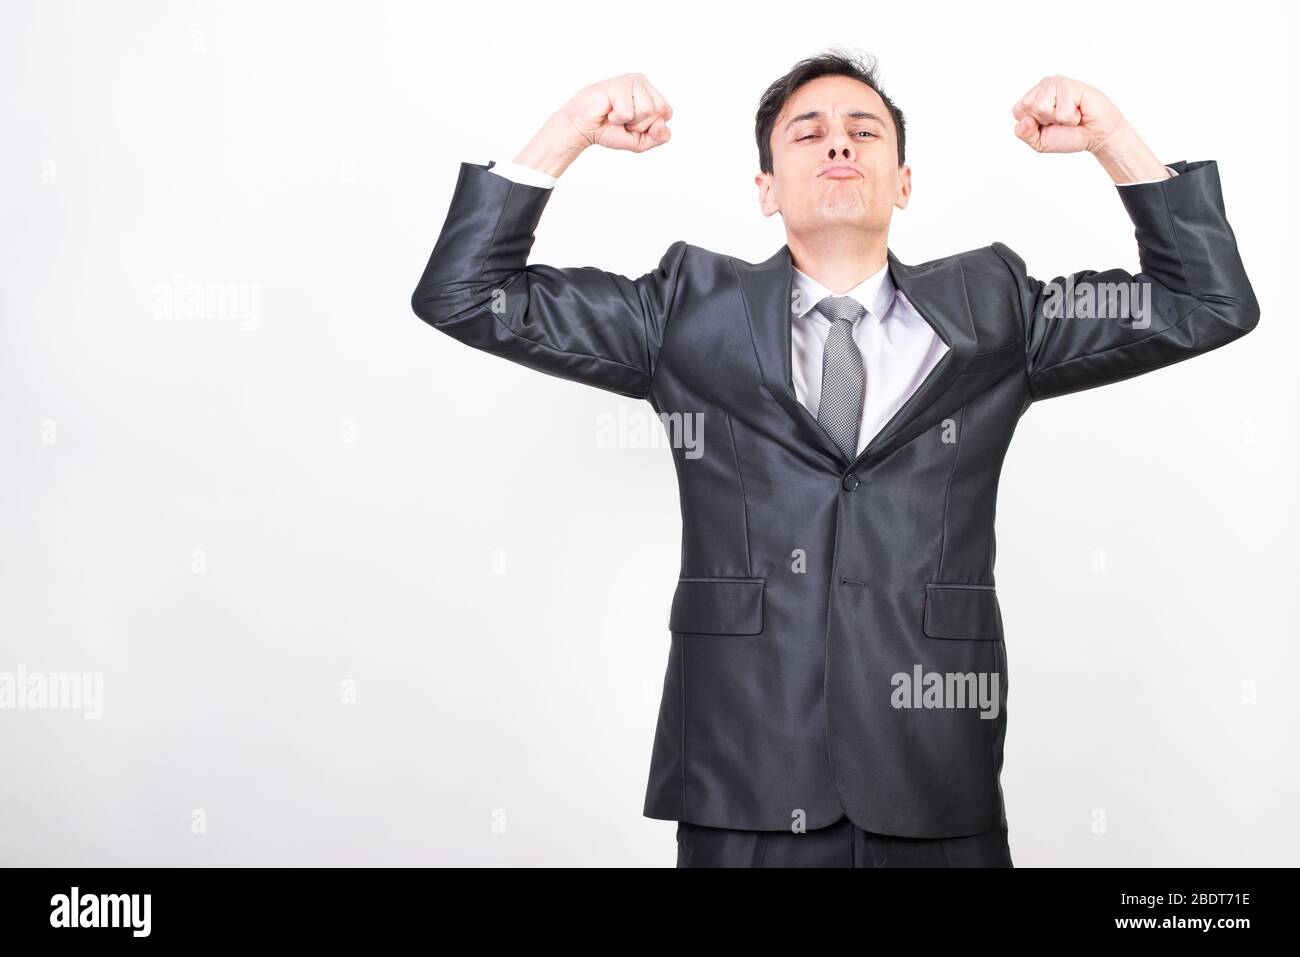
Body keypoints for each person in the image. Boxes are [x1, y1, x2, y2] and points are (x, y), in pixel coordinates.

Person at [410, 50, 1259, 867]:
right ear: (765, 188)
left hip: (935, 781)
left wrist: (1113, 140)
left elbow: (1206, 301)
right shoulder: (685, 310)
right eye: (807, 132)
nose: (840, 142)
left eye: (864, 130)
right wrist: (567, 132)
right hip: (742, 780)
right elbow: (464, 295)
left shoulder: (995, 306)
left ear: (905, 181)